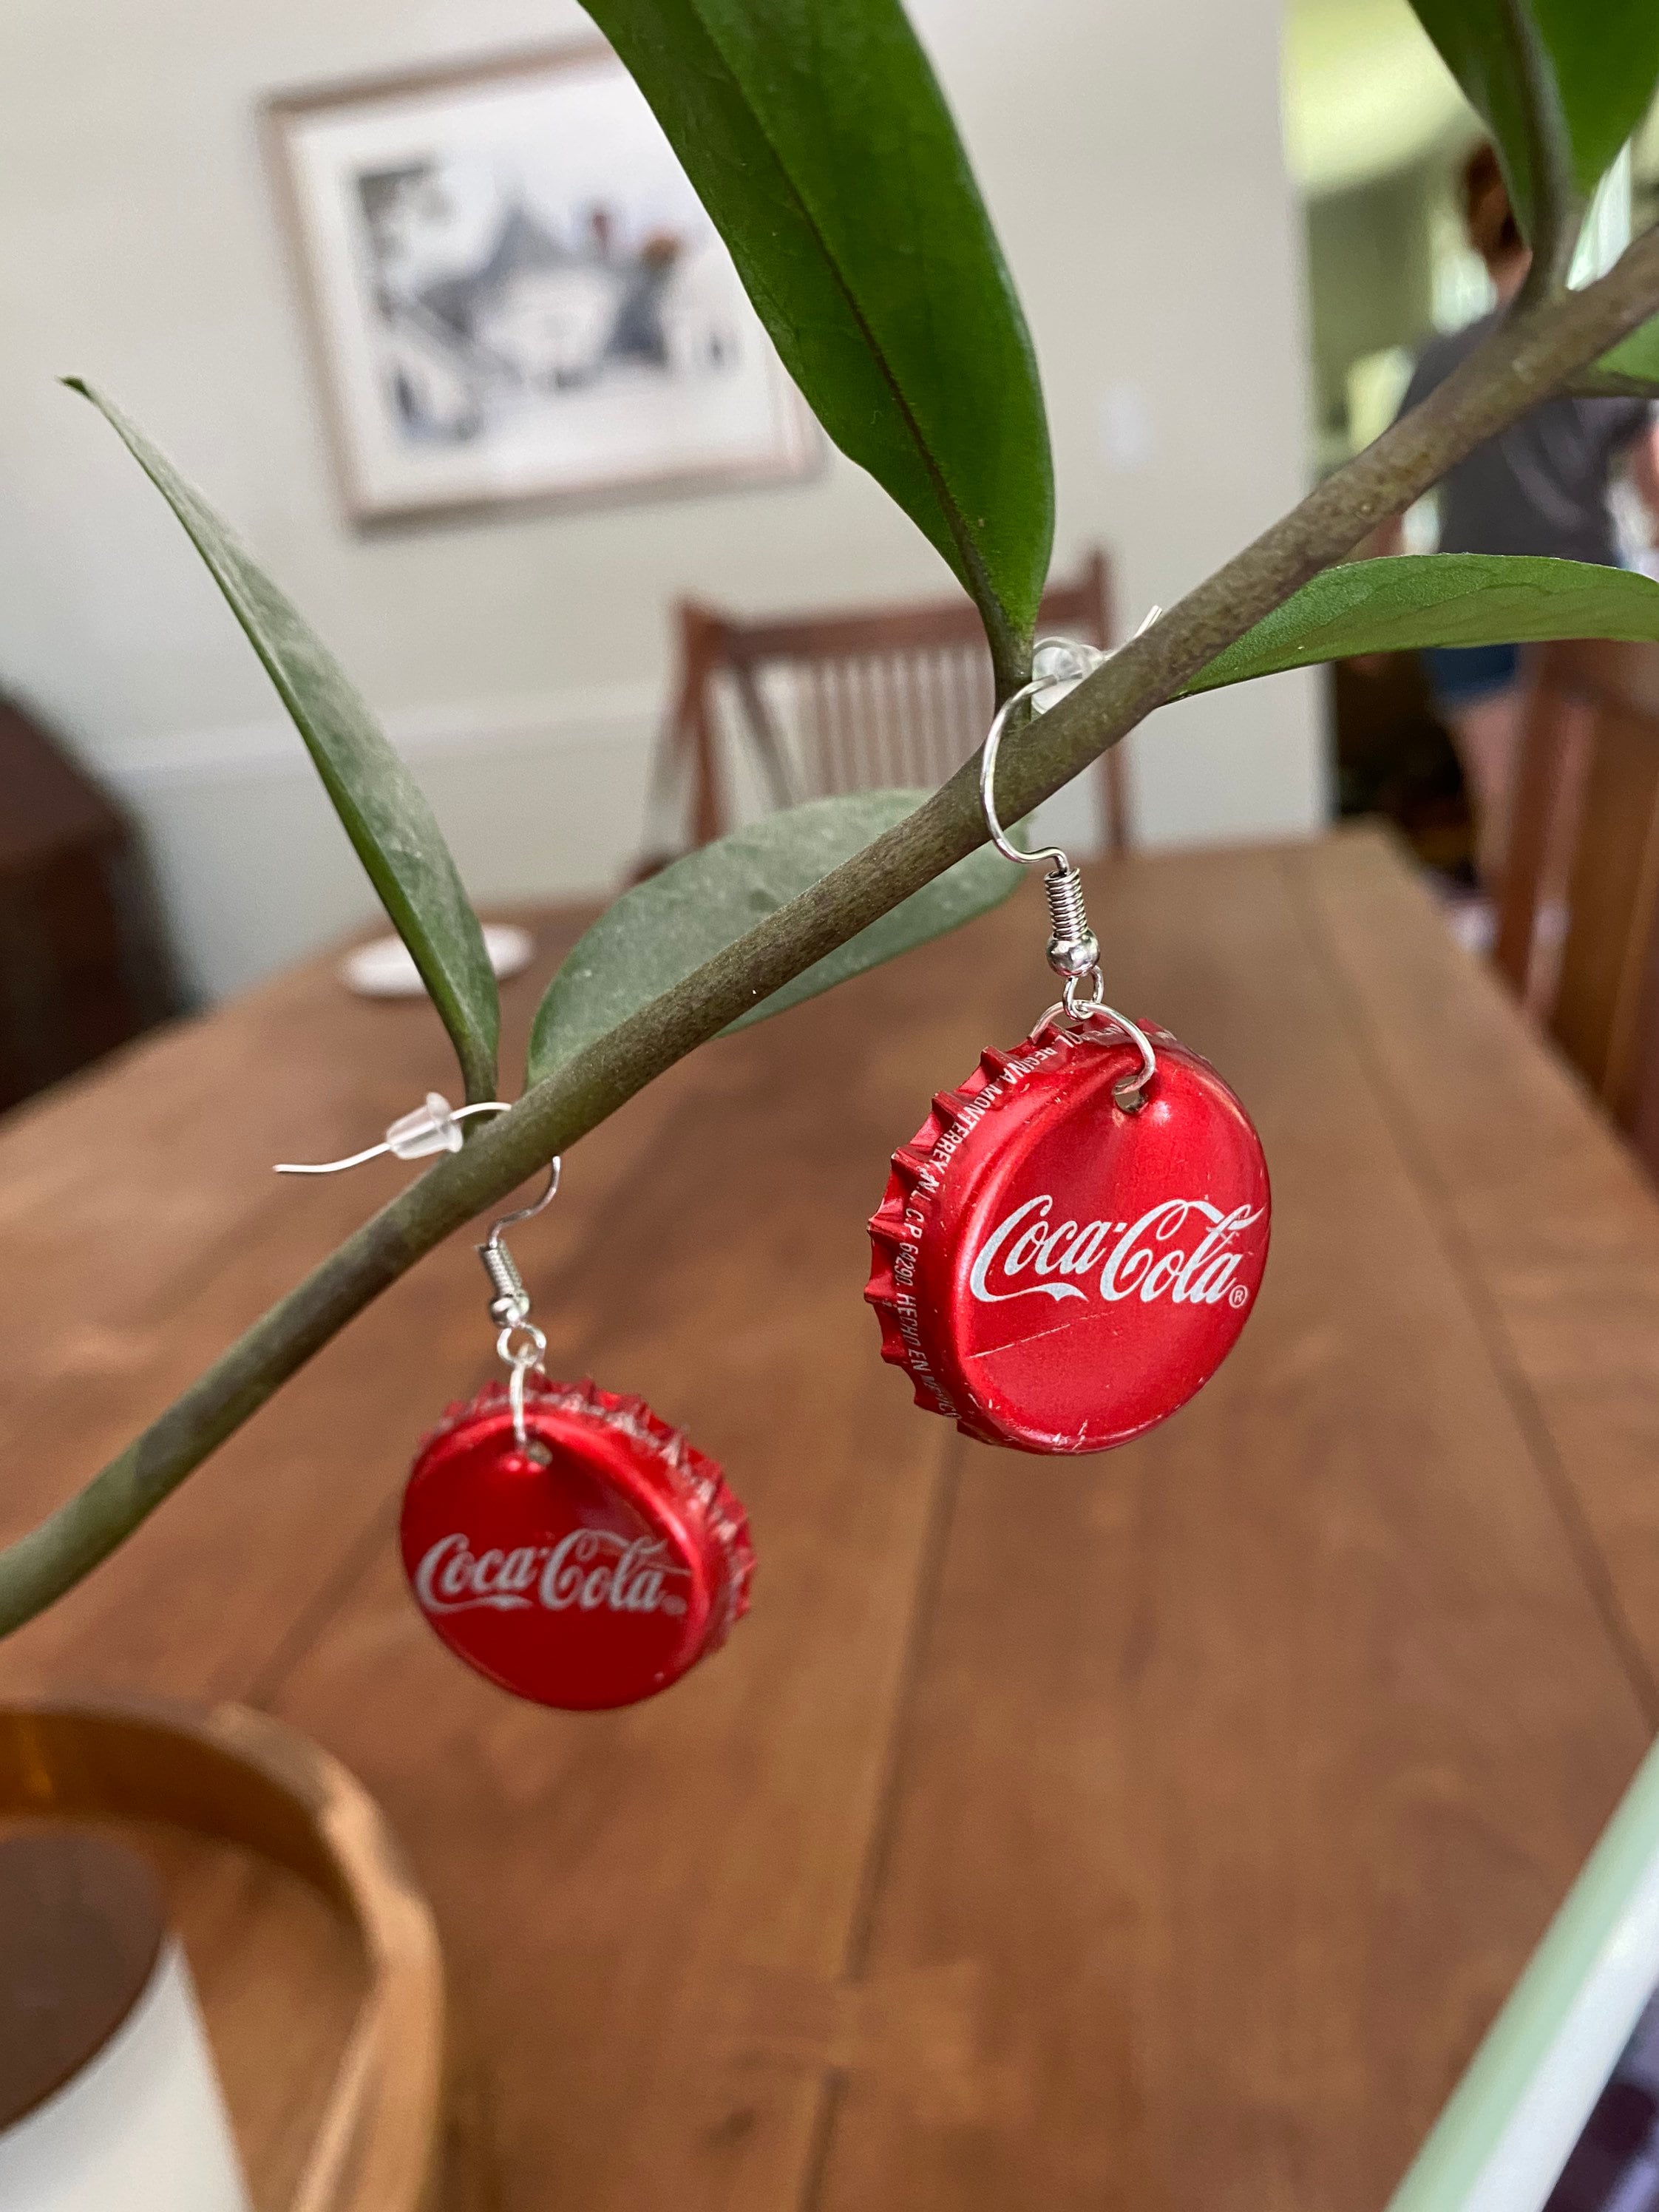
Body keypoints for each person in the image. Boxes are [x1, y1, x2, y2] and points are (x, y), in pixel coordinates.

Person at [1370, 143, 1659, 883]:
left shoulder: (1441, 361)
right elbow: (1655, 483)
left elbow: (1385, 507)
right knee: (1579, 817)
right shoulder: (1599, 346)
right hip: (1582, 601)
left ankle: (1516, 948)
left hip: (1469, 610)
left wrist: (1369, 627)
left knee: (1505, 810)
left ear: (1471, 231)